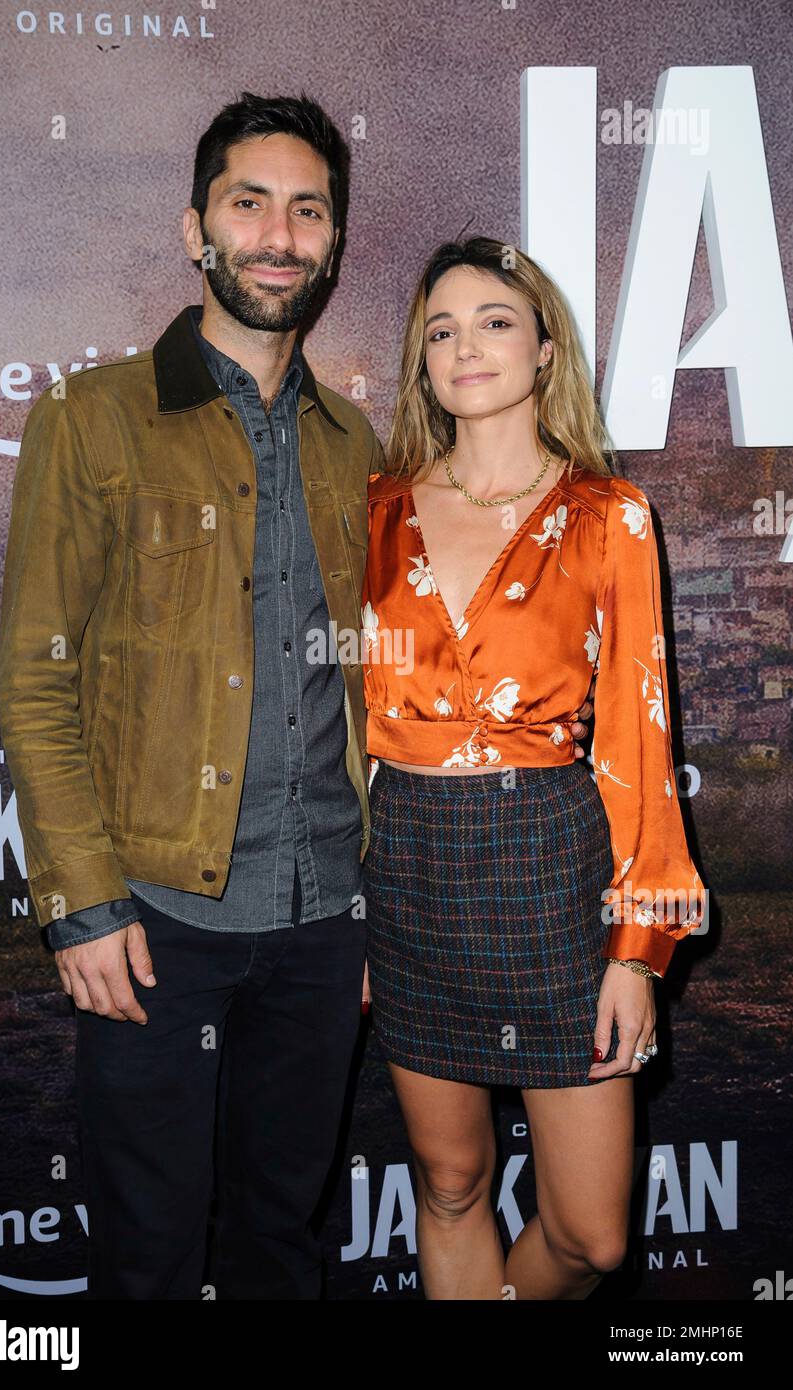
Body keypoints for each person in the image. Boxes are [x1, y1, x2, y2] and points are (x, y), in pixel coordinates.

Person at [0, 91, 386, 1301]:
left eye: (307, 209)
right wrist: (81, 902)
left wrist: (377, 904)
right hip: (157, 923)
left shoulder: (354, 444)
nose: (280, 233)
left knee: (285, 1241)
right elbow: (35, 673)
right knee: (151, 1254)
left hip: (327, 918)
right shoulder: (94, 414)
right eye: (249, 202)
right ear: (196, 228)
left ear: (333, 240)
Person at [360, 237, 707, 1301]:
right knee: (452, 1181)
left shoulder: (609, 514)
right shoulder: (373, 510)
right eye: (441, 329)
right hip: (409, 862)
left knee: (591, 1236)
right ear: (421, 362)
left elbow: (641, 736)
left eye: (496, 321)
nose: (467, 345)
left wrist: (636, 948)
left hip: (553, 867)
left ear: (545, 348)